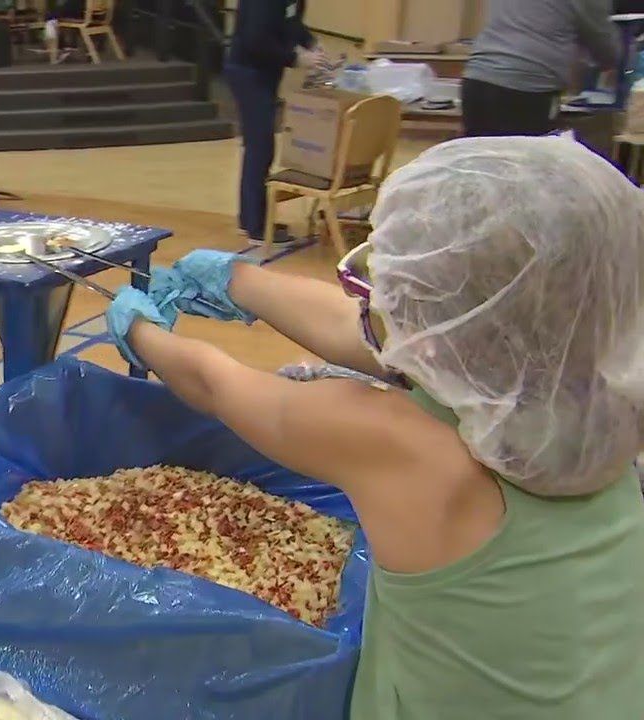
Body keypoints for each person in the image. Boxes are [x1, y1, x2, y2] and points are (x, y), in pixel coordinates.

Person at [106, 134, 644, 718]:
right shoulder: (590, 397)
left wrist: (139, 331)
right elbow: (386, 333)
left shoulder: (399, 442)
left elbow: (219, 387)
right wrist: (236, 279)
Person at [226, 0, 324, 247]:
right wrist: (295, 58)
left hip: (266, 74)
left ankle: (250, 218)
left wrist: (310, 42)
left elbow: (290, 24)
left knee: (259, 146)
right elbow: (256, 40)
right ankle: (256, 227)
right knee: (260, 147)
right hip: (248, 73)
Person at [464, 0, 620, 137]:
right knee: (526, 164)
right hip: (528, 87)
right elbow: (604, 44)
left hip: (478, 79)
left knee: (480, 163)